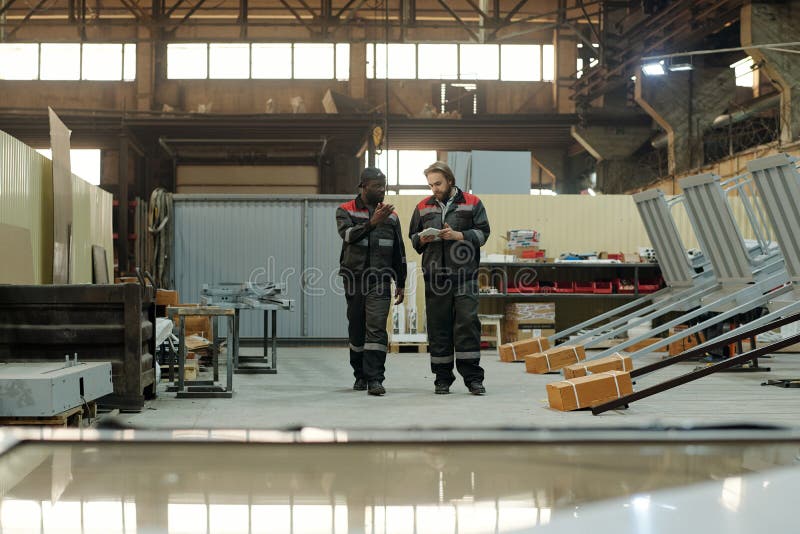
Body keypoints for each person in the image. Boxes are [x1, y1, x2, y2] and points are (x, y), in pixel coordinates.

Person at [409, 161, 490, 395]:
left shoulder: (473, 203)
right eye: (430, 185)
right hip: (436, 277)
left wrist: (459, 235)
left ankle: (473, 378)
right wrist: (421, 239)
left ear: (450, 181)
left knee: (467, 325)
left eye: (438, 183)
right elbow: (413, 236)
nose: (434, 188)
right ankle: (442, 378)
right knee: (439, 328)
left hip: (465, 275)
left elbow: (483, 233)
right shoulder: (423, 207)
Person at [336, 168, 406, 396]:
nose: (382, 190)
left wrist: (401, 281)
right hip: (354, 279)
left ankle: (375, 378)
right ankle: (360, 375)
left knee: (376, 330)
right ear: (364, 186)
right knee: (357, 329)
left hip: (380, 280)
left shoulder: (392, 216)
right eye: (377, 186)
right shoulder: (345, 210)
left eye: (384, 186)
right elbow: (347, 236)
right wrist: (372, 223)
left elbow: (398, 251)